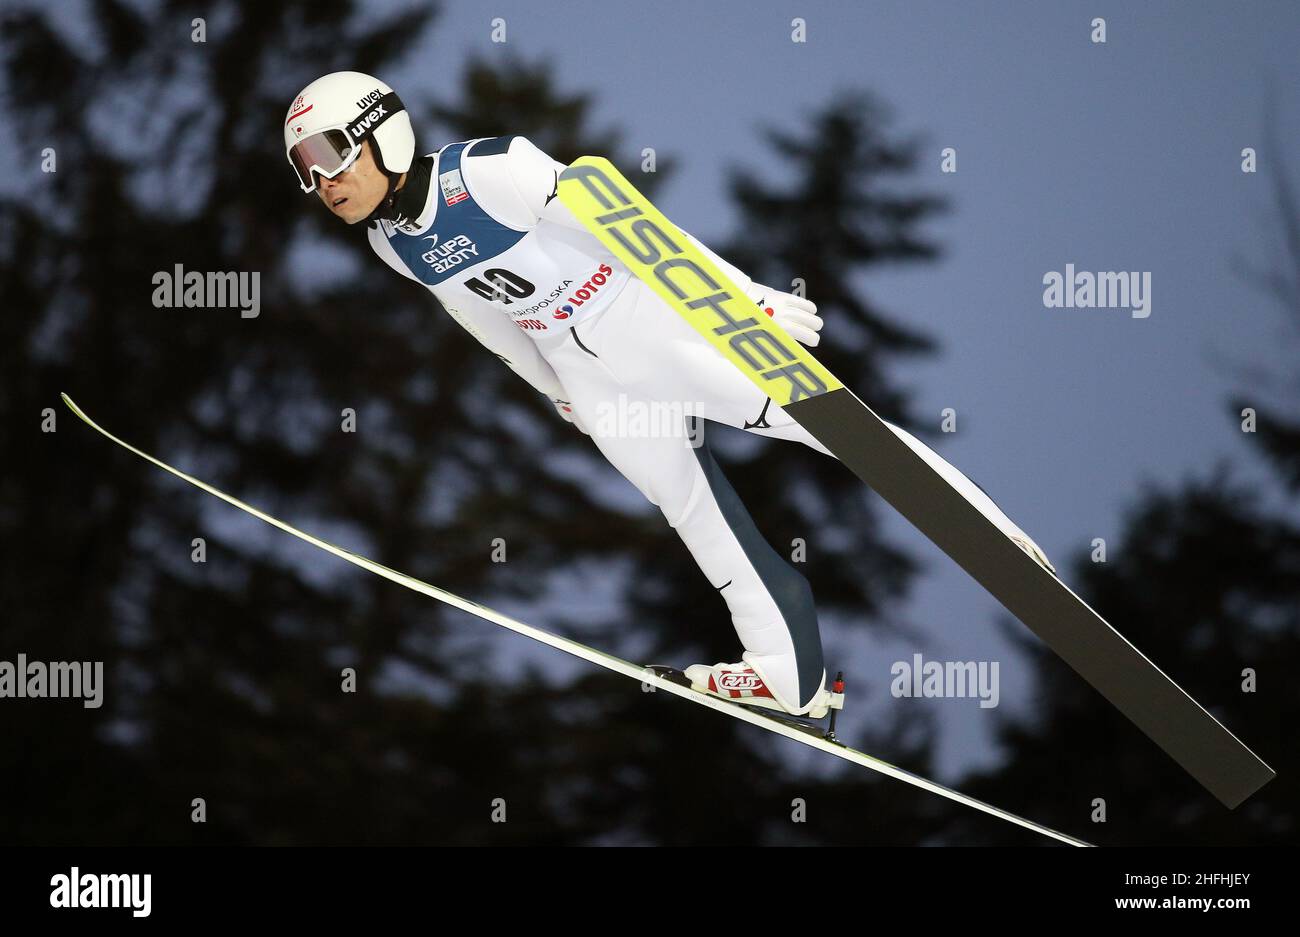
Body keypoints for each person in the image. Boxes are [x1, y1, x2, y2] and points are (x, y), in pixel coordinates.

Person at [284, 70, 1055, 719]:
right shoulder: (392, 243)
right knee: (689, 506)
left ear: (383, 132)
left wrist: (738, 297)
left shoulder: (488, 172)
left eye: (329, 154)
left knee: (827, 425)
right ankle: (787, 671)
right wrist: (558, 395)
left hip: (650, 323)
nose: (323, 181)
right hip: (587, 371)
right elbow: (481, 319)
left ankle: (993, 535)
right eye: (303, 170)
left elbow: (629, 223)